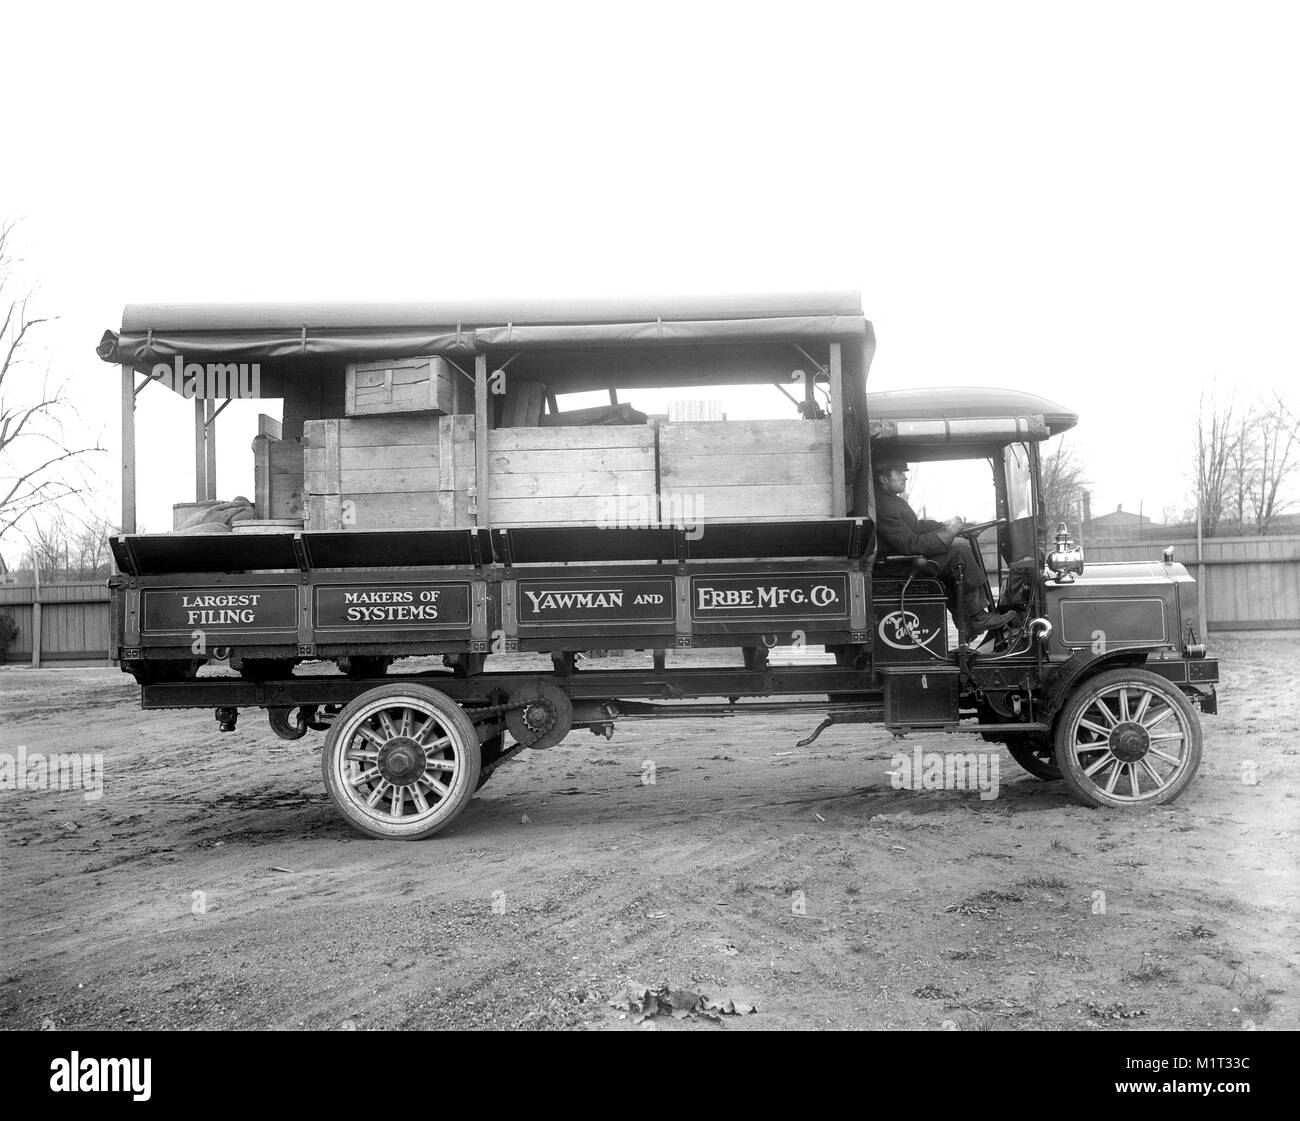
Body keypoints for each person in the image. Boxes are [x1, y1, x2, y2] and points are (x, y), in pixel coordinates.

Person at [872, 459, 1015, 642]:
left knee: (957, 557)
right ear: (883, 478)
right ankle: (977, 618)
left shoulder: (891, 501)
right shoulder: (885, 505)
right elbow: (910, 544)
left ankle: (967, 623)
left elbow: (915, 527)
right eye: (898, 473)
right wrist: (947, 533)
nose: (905, 477)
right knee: (959, 553)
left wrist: (944, 524)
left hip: (903, 561)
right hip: (898, 566)